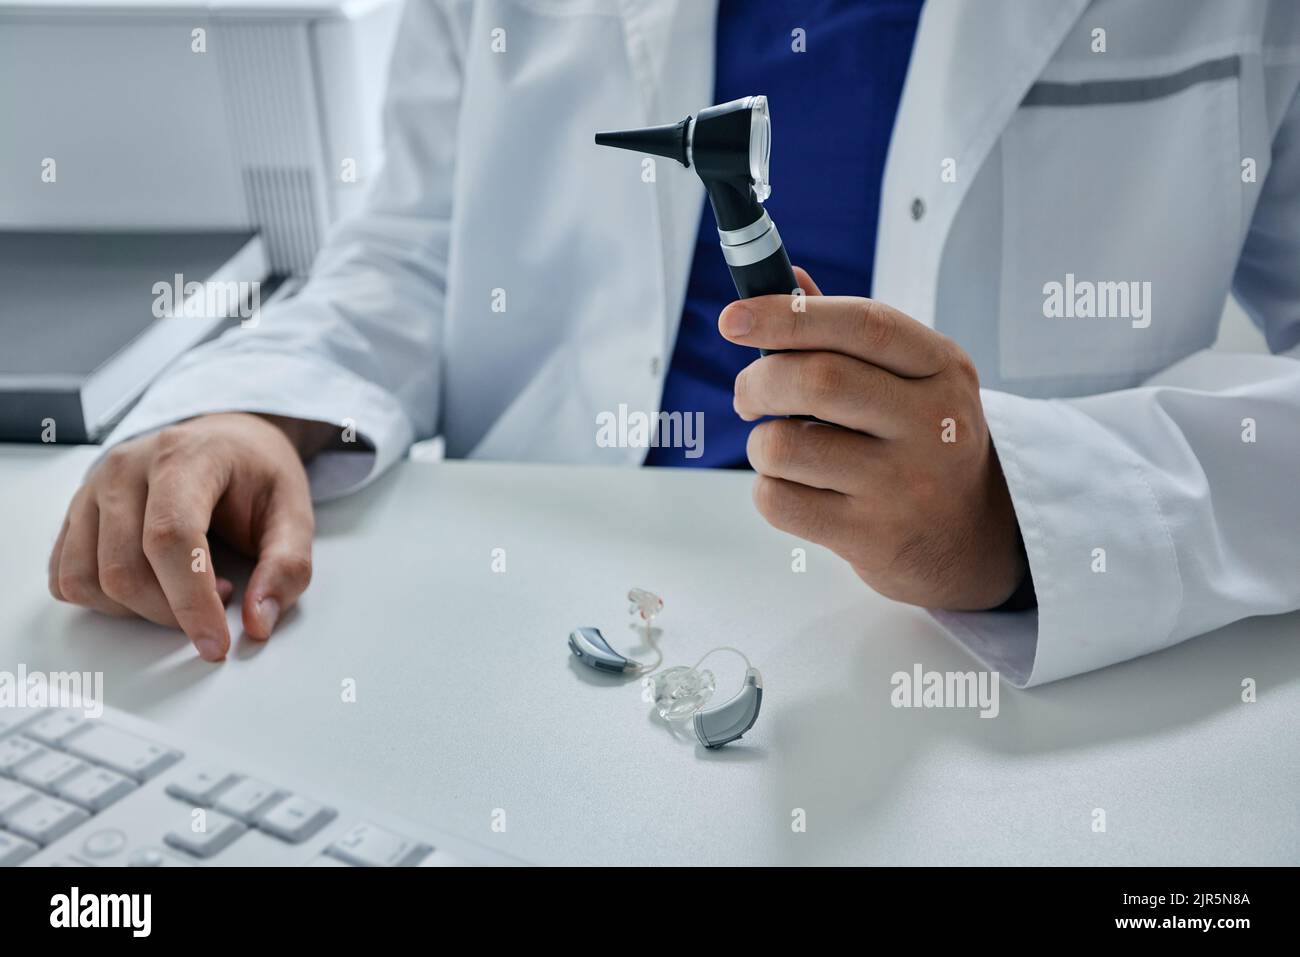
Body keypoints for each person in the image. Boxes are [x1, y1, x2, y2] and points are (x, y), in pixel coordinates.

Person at [48, 0, 1300, 686]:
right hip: (525, 608)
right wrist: (262, 408)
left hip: (987, 668)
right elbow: (419, 240)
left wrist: (1035, 506)